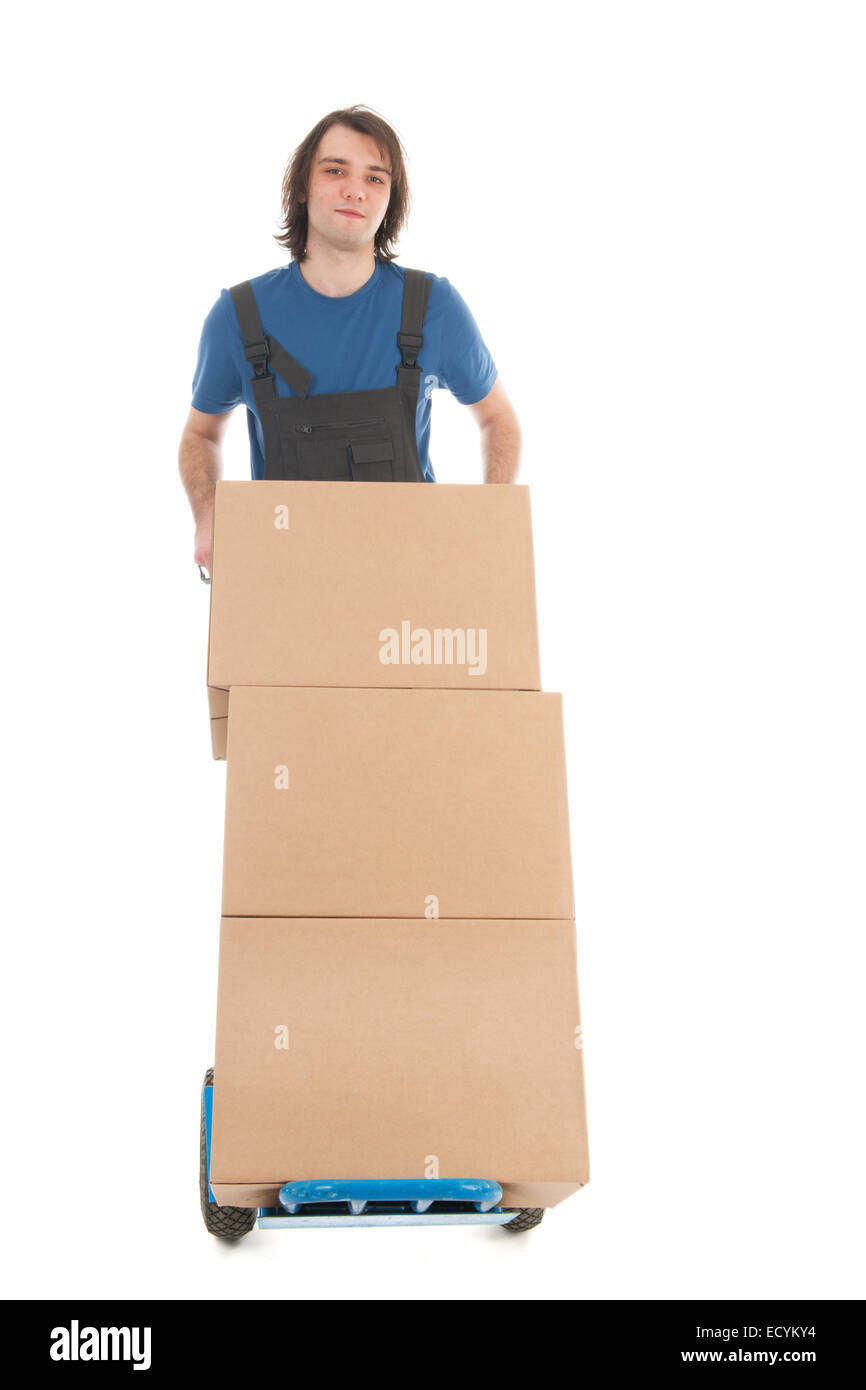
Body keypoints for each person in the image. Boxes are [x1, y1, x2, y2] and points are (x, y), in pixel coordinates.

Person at [179, 106, 521, 574]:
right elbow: (201, 435)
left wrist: (492, 516)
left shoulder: (431, 307)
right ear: (303, 187)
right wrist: (209, 515)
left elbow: (498, 418)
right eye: (335, 170)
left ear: (390, 200)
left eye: (375, 178)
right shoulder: (240, 318)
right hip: (286, 581)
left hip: (412, 583)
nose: (354, 190)